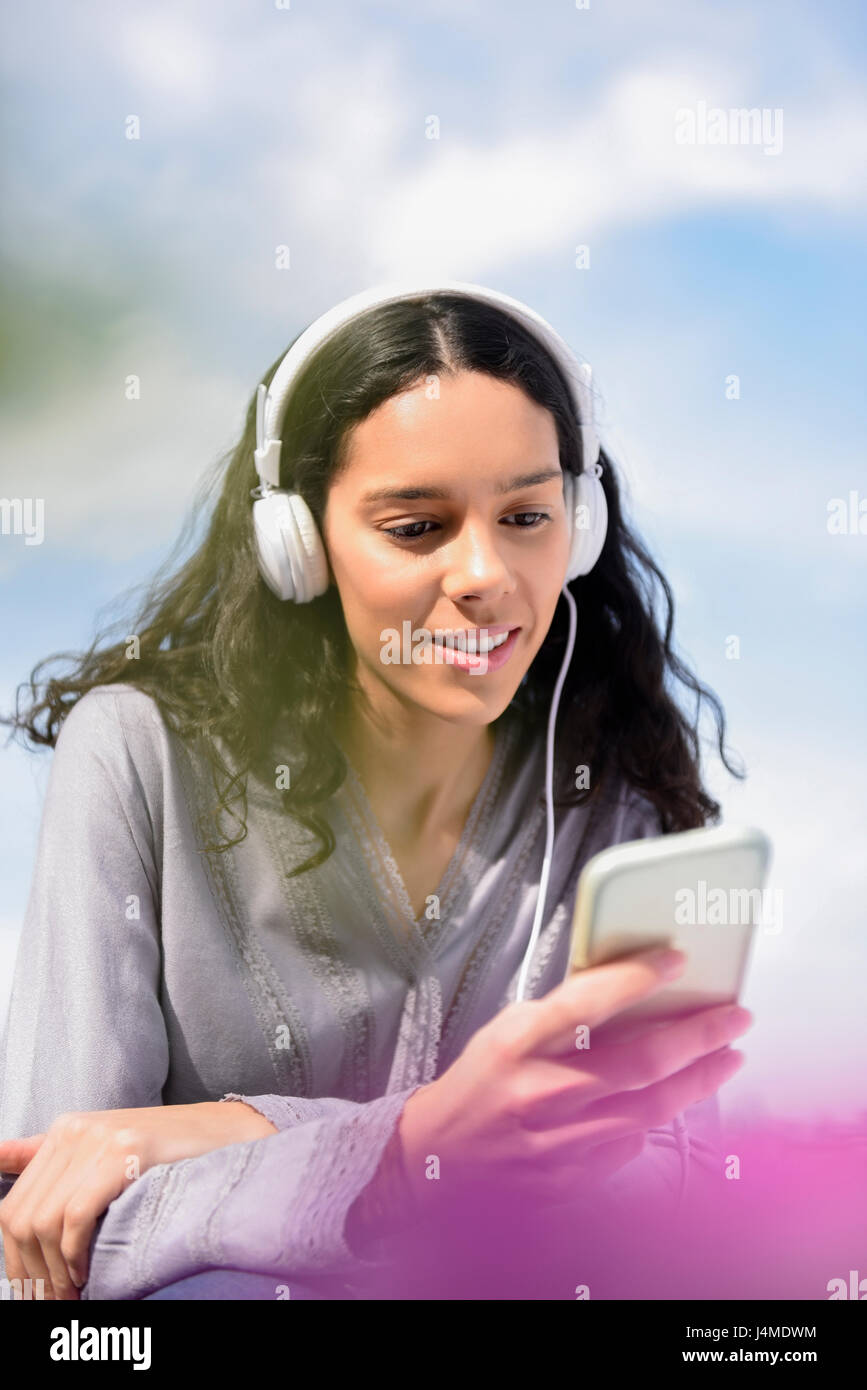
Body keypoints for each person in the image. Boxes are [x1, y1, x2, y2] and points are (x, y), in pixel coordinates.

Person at [0, 283, 750, 1301]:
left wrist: (238, 1133)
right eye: (416, 527)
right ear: (297, 547)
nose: (486, 571)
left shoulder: (613, 795)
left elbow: (676, 1194)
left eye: (528, 514)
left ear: (577, 528)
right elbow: (49, 1231)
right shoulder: (139, 756)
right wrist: (403, 1156)